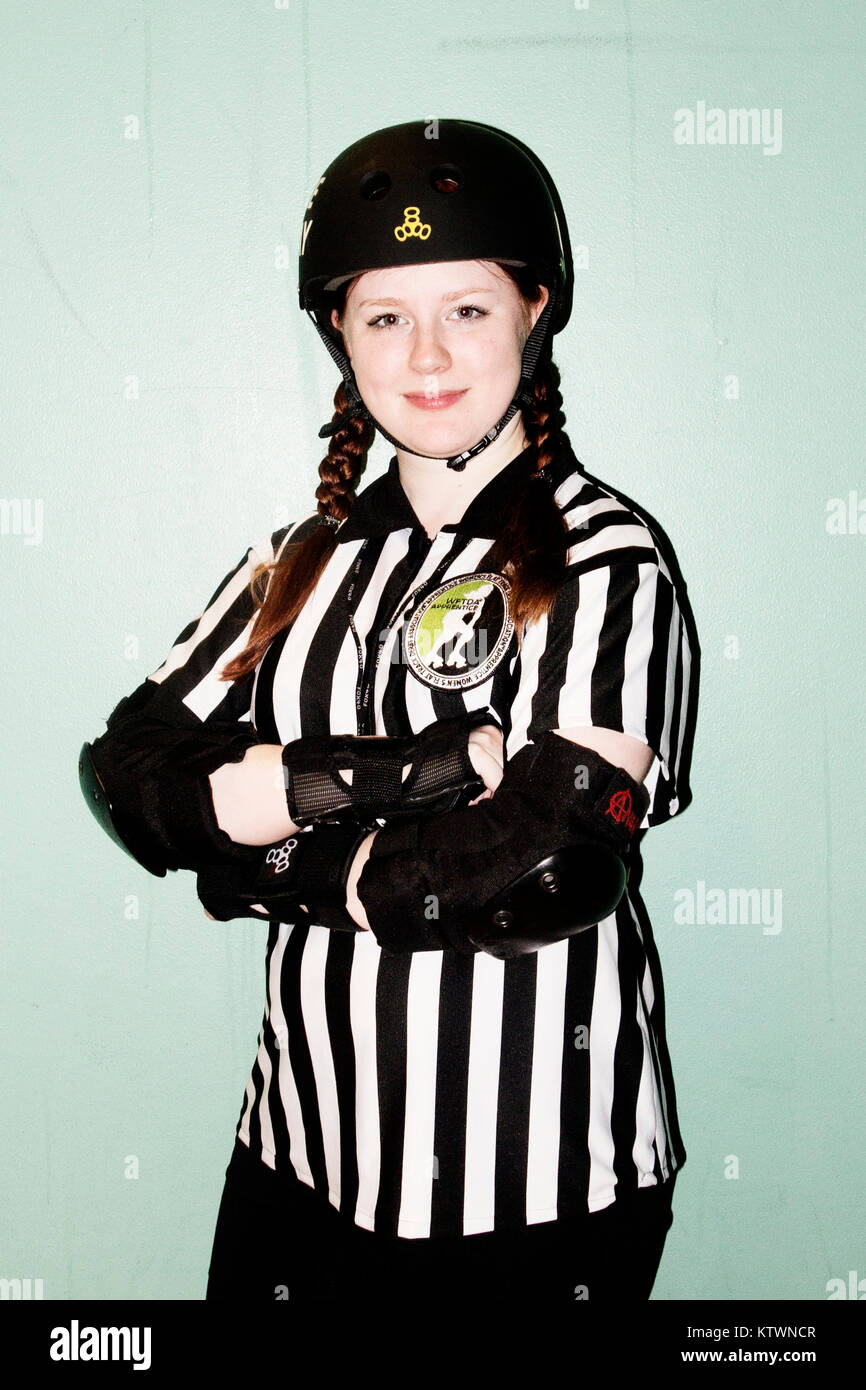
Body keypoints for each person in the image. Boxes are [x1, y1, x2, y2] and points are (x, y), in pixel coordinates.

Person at [79, 118, 699, 1309]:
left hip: (539, 1180)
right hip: (298, 1158)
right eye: (383, 315)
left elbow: (539, 862)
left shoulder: (607, 556)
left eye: (465, 308)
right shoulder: (294, 561)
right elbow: (130, 777)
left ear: (534, 307)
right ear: (339, 334)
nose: (424, 353)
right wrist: (388, 777)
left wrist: (254, 853)